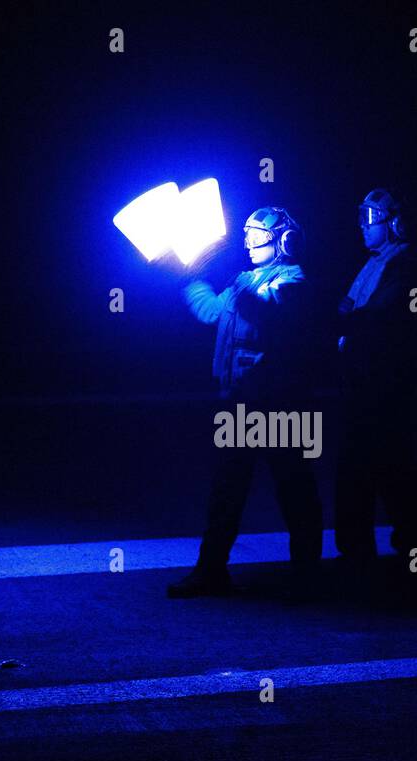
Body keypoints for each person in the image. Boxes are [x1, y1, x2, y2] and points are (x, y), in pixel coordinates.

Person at [167, 207, 324, 599]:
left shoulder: (294, 283)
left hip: (281, 406)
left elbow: (267, 309)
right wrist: (189, 275)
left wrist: (212, 269)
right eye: (248, 235)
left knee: (295, 490)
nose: (249, 243)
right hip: (242, 404)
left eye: (259, 236)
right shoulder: (245, 280)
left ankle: (308, 575)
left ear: (285, 242)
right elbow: (210, 312)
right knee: (227, 490)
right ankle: (211, 571)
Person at [334, 188, 417, 575]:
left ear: (393, 222)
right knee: (361, 471)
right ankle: (362, 554)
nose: (362, 225)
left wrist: (339, 323)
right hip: (362, 382)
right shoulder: (375, 263)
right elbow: (349, 308)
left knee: (394, 471)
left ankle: (415, 554)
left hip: (384, 387)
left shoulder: (406, 265)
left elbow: (376, 315)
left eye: (370, 218)